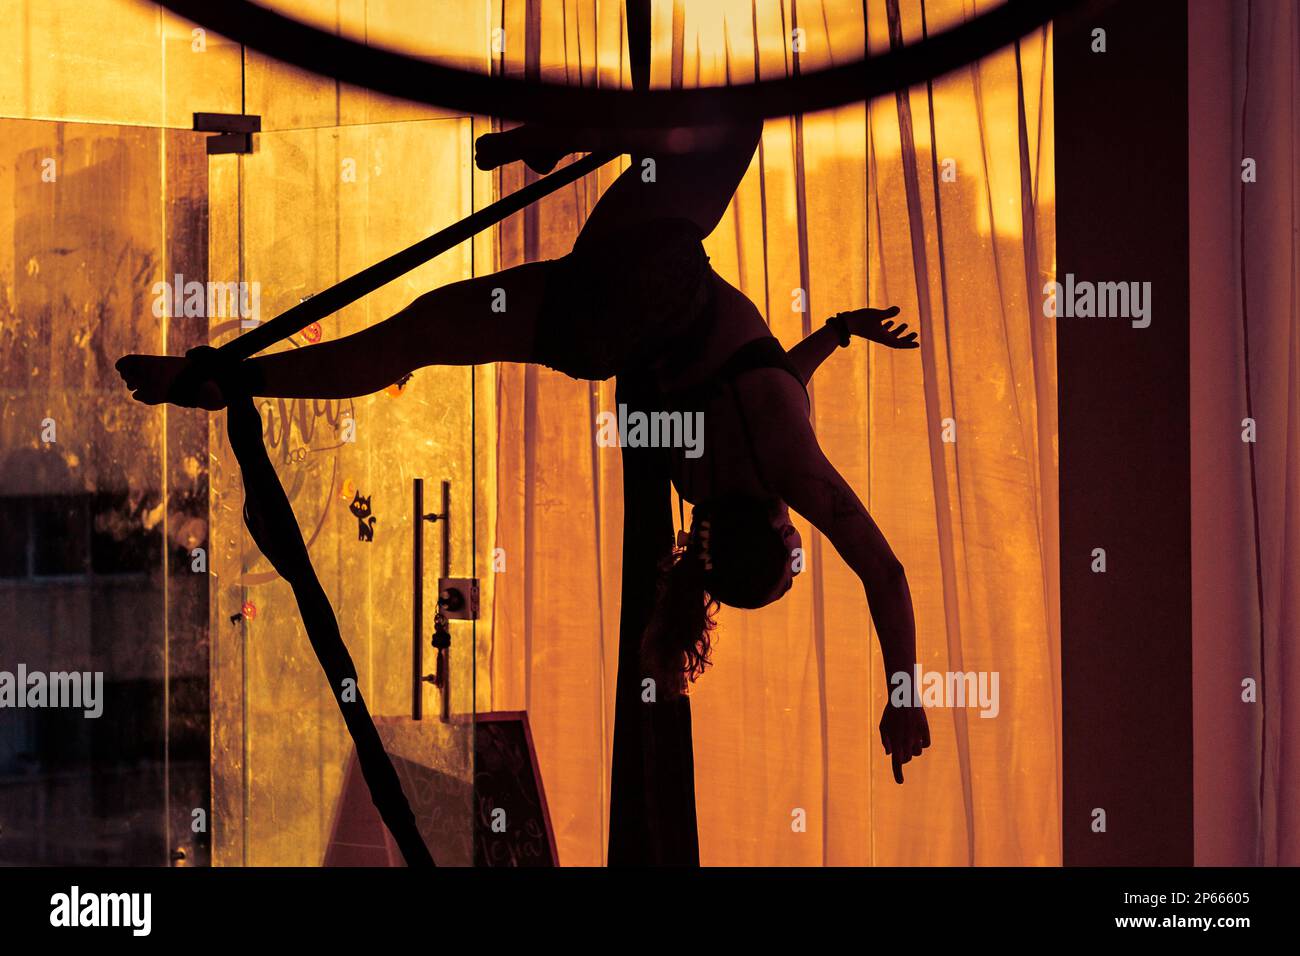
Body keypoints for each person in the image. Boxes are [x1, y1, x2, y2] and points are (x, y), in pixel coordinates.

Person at [117, 118, 931, 783]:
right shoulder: (713, 479)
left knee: (730, 118)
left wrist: (906, 696)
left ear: (782, 530)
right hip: (596, 328)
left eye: (793, 544)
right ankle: (226, 378)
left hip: (658, 275)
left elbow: (883, 570)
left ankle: (567, 132)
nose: (801, 531)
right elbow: (776, 377)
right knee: (415, 339)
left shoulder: (786, 460)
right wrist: (835, 335)